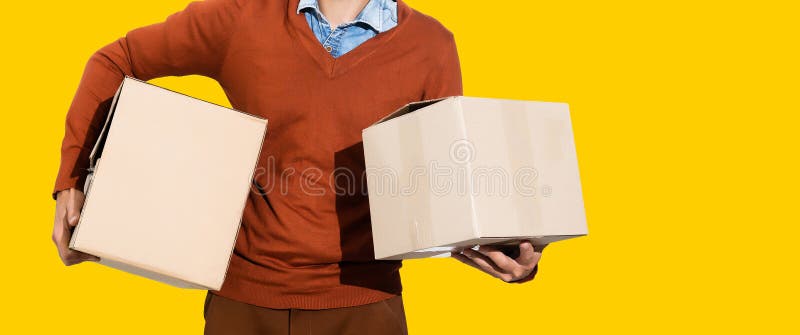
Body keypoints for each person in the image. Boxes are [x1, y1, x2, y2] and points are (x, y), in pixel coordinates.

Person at [51, 0, 544, 333]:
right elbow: (116, 60)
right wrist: (72, 180)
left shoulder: (431, 48)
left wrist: (511, 253)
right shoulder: (243, 17)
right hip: (241, 305)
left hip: (366, 310)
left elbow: (444, 192)